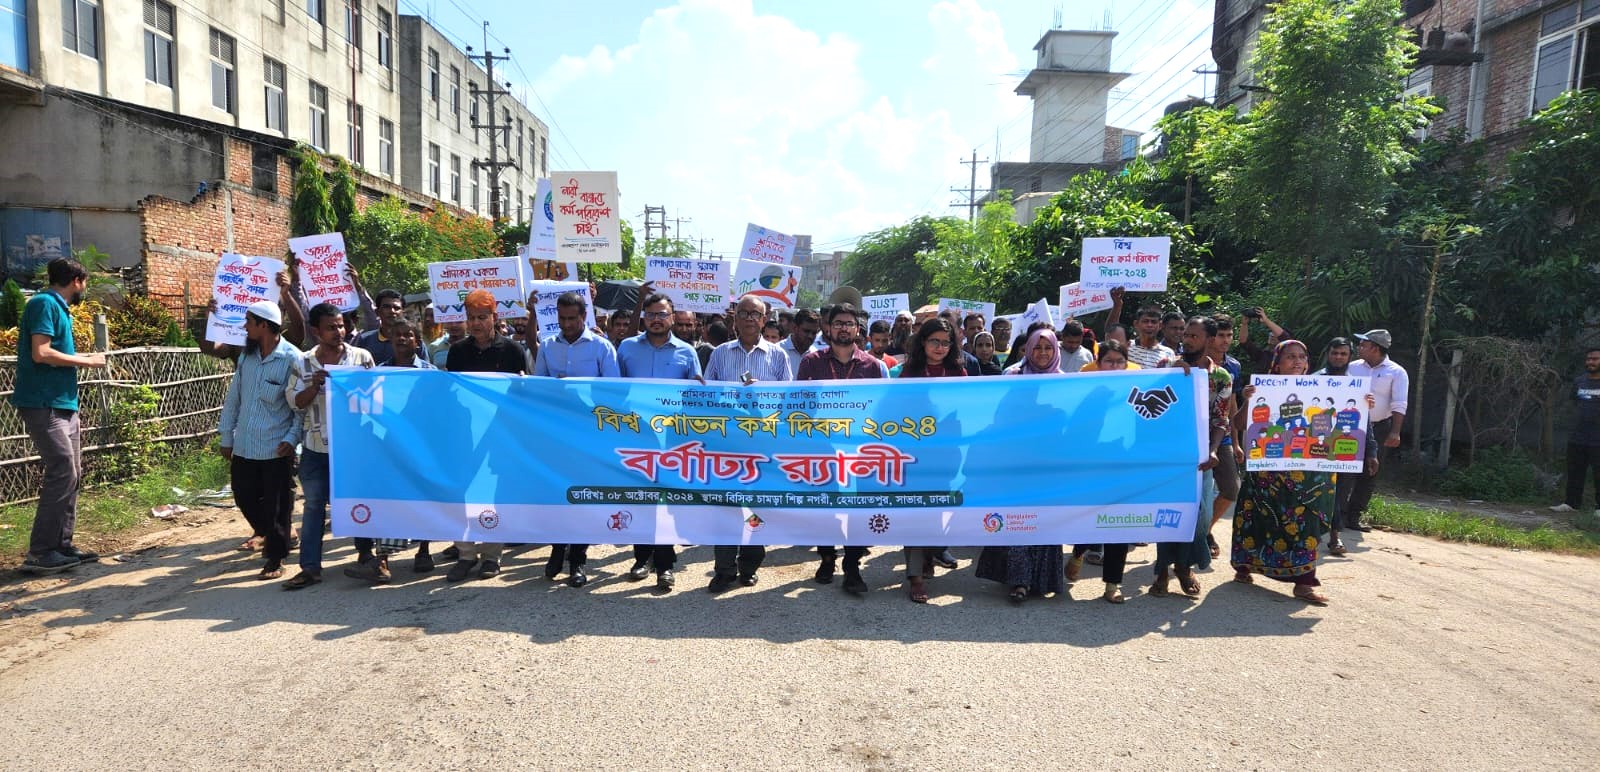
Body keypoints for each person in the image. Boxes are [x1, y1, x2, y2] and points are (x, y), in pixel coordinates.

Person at [12, 257, 108, 574]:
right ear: (77, 280)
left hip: (63, 402)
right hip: (43, 402)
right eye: (86, 283)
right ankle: (40, 552)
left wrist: (83, 357)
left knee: (73, 471)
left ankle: (61, 545)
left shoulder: (59, 308)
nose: (85, 289)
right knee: (62, 468)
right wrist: (88, 362)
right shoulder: (43, 304)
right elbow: (41, 352)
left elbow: (55, 352)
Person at [1231, 340, 1333, 605]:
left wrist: (1360, 405)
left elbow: (1326, 428)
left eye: (1302, 356)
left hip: (1306, 475)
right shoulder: (1262, 389)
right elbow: (1240, 423)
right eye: (1290, 357)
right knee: (1258, 517)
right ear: (1277, 362)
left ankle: (1305, 582)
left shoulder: (1320, 392)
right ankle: (1245, 564)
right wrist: (1247, 401)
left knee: (1305, 522)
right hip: (1267, 471)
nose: (1297, 361)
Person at [283, 303, 376, 590]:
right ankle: (310, 567)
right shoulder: (303, 363)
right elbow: (293, 402)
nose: (339, 332)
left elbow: (376, 399)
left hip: (354, 448)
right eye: (331, 327)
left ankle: (366, 555)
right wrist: (314, 385)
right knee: (313, 506)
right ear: (315, 331)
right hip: (315, 449)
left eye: (341, 325)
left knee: (358, 500)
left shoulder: (361, 357)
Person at [703, 295, 792, 592]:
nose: (751, 319)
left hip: (763, 445)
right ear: (735, 318)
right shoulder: (719, 354)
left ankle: (750, 565)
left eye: (756, 314)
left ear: (764, 320)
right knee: (726, 507)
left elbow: (789, 400)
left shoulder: (777, 356)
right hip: (727, 443)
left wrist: (762, 396)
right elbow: (707, 399)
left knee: (758, 507)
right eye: (745, 313)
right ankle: (724, 569)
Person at [442, 290, 530, 583]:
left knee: (494, 495)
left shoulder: (512, 350)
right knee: (461, 492)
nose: (476, 323)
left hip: (499, 435)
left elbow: (522, 396)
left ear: (495, 317)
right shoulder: (457, 352)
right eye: (471, 318)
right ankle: (465, 554)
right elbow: (451, 394)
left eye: (482, 317)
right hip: (464, 434)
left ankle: (492, 556)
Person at [617, 294, 702, 592]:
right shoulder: (626, 349)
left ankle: (665, 565)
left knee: (665, 502)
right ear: (644, 318)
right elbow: (614, 392)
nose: (656, 319)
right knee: (640, 499)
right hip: (636, 438)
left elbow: (695, 396)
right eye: (651, 314)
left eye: (662, 314)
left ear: (672, 316)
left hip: (670, 442)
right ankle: (641, 558)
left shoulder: (687, 352)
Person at [797, 303, 883, 595]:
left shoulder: (873, 366)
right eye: (838, 323)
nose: (844, 328)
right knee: (825, 506)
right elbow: (799, 404)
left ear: (858, 330)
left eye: (850, 323)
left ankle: (853, 566)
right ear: (828, 328)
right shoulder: (811, 362)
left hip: (860, 451)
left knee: (857, 508)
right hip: (822, 449)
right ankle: (826, 558)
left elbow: (882, 410)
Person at [535, 292, 620, 587]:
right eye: (562, 318)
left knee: (581, 496)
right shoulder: (547, 346)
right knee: (559, 493)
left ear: (584, 316)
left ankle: (578, 561)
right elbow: (539, 390)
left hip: (588, 435)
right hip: (557, 435)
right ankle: (557, 549)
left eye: (572, 318)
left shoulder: (602, 347)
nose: (567, 324)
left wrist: (580, 391)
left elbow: (612, 395)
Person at [977, 328, 1067, 603]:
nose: (1042, 353)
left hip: (1050, 464)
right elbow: (1000, 417)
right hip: (1015, 463)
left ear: (1055, 350)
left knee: (1046, 522)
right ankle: (1019, 581)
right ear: (1027, 349)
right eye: (1037, 347)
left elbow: (1070, 422)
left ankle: (1042, 579)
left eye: (1047, 348)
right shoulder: (1014, 375)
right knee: (1018, 521)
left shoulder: (1065, 382)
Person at [217, 300, 303, 581]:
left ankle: (275, 559)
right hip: (244, 444)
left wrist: (292, 440)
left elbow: (301, 408)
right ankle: (273, 533)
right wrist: (226, 436)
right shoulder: (246, 357)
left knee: (278, 506)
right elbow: (234, 399)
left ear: (263, 325)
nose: (245, 327)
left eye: (249, 322)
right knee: (243, 494)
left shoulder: (292, 358)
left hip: (276, 447)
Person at [1150, 317, 1227, 599]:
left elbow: (1221, 419)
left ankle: (1183, 567)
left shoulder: (1220, 377)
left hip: (1200, 456)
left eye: (1194, 335)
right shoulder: (1166, 366)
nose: (1187, 339)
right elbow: (1147, 402)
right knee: (1166, 513)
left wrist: (1214, 449)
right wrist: (1170, 374)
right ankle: (1161, 571)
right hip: (1167, 454)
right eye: (1186, 334)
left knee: (1198, 515)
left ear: (1209, 339)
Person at [893, 317, 967, 602]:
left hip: (946, 454)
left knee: (936, 508)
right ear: (922, 341)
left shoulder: (958, 372)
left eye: (946, 342)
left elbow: (965, 411)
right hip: (914, 455)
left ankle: (930, 553)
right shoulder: (908, 373)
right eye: (934, 341)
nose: (940, 347)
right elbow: (897, 413)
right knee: (913, 511)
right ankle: (915, 576)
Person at [1067, 340, 1138, 602]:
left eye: (1120, 361)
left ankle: (1112, 585)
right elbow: (1075, 431)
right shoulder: (1087, 392)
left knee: (1120, 523)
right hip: (1093, 467)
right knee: (1092, 518)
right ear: (1098, 363)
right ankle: (1078, 552)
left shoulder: (1136, 391)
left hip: (1124, 466)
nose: (1115, 366)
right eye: (1109, 361)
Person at [1337, 329, 1408, 532]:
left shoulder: (1396, 372)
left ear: (1375, 349)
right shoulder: (1352, 367)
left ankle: (1354, 516)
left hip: (1379, 427)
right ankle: (1338, 516)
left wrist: (1395, 432)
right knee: (1345, 471)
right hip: (1350, 427)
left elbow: (1399, 403)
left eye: (1363, 345)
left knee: (1369, 472)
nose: (1359, 348)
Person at [1205, 315, 1243, 558]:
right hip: (1192, 435)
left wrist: (1237, 442)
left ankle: (1204, 531)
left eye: (1229, 335)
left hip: (1223, 434)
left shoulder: (1234, 366)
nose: (1226, 340)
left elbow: (1232, 404)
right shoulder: (1187, 361)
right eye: (1221, 335)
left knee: (1231, 488)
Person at [1551, 347, 1600, 515]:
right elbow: (1573, 404)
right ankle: (1571, 504)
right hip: (1578, 436)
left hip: (1598, 439)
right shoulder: (1579, 381)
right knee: (1574, 471)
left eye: (1594, 359)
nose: (1590, 362)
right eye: (1588, 359)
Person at [351, 288, 407, 365]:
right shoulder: (364, 340)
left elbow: (425, 371)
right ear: (377, 312)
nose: (392, 311)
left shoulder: (413, 340)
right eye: (387, 307)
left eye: (396, 308)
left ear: (403, 313)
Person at [1237, 307, 1292, 373]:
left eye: (1275, 333)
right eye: (1271, 332)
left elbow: (1284, 336)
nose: (1272, 335)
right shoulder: (1262, 355)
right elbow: (1243, 341)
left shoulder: (1288, 356)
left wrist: (1266, 320)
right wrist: (1244, 324)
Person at [779, 308, 821, 377]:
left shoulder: (817, 356)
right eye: (806, 331)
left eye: (814, 333)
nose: (810, 336)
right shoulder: (777, 351)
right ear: (795, 328)